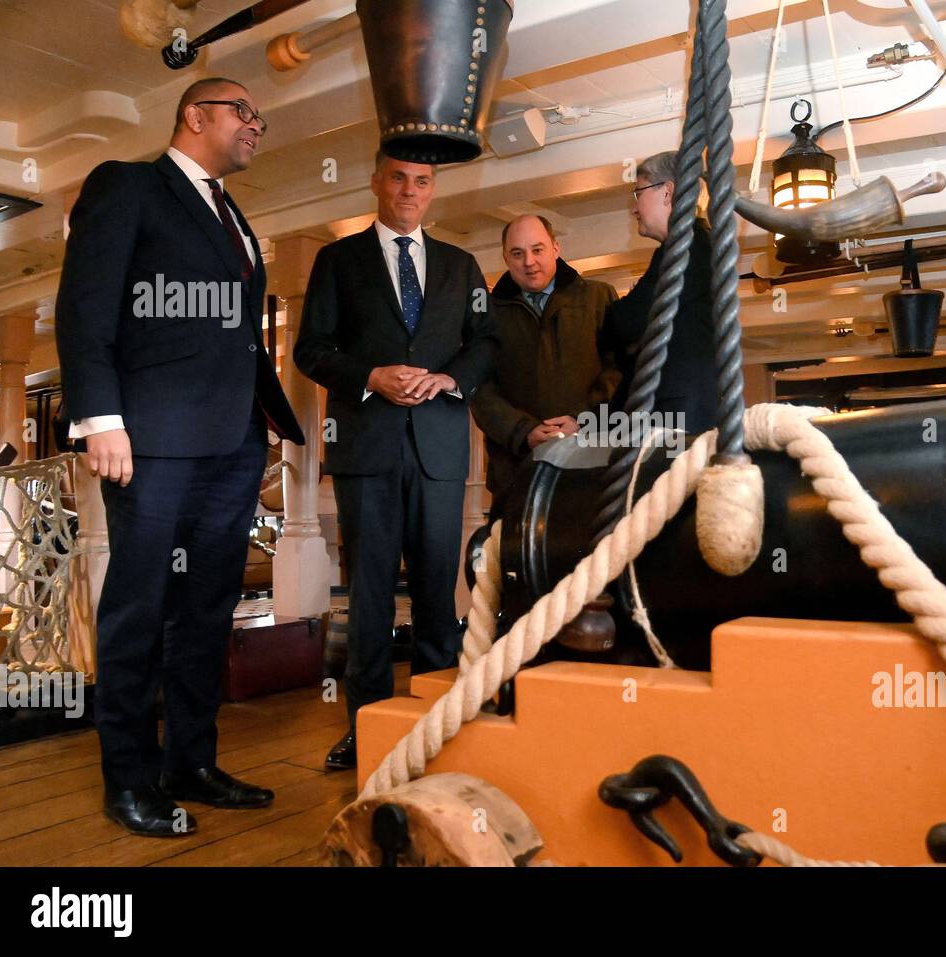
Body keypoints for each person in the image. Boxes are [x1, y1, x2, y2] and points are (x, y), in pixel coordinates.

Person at [55, 77, 305, 837]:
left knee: (205, 609)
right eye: (244, 112)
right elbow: (85, 303)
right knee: (140, 607)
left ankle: (190, 761)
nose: (257, 125)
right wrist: (101, 418)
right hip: (152, 440)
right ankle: (127, 778)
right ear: (195, 115)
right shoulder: (127, 186)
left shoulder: (232, 214)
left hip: (233, 444)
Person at [294, 151, 499, 772]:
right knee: (371, 598)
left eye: (423, 181)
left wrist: (446, 380)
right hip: (367, 450)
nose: (410, 191)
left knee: (440, 595)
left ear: (433, 191)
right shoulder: (337, 261)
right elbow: (311, 349)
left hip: (439, 451)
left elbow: (486, 341)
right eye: (399, 179)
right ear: (376, 181)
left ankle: (437, 726)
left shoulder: (463, 267)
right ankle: (368, 729)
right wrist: (371, 376)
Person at [471, 214, 620, 502]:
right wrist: (523, 431)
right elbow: (478, 388)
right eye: (517, 253)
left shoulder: (600, 297)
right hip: (516, 473)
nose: (529, 261)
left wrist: (582, 420)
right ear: (505, 257)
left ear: (555, 248)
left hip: (591, 464)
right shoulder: (483, 313)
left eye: (537, 249)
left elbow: (619, 371)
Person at [604, 150, 718, 434]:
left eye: (638, 193)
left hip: (676, 414)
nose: (634, 208)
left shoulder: (685, 246)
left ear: (667, 193)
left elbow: (625, 323)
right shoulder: (699, 245)